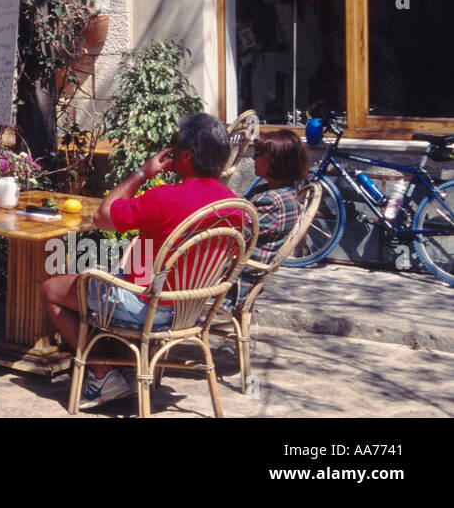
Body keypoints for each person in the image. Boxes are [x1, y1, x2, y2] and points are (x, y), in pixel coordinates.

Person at [39, 112, 240, 410]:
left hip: (148, 309)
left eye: (174, 144)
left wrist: (141, 173)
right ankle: (127, 369)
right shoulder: (233, 205)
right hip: (190, 309)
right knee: (124, 266)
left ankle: (102, 375)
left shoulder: (164, 198)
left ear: (183, 155)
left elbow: (102, 217)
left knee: (51, 288)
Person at [229, 128, 306, 309]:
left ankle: (154, 315)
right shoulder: (278, 193)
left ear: (275, 159)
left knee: (150, 246)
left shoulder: (272, 201)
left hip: (231, 282)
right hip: (232, 269)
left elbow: (233, 235)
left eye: (258, 154)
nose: (253, 159)